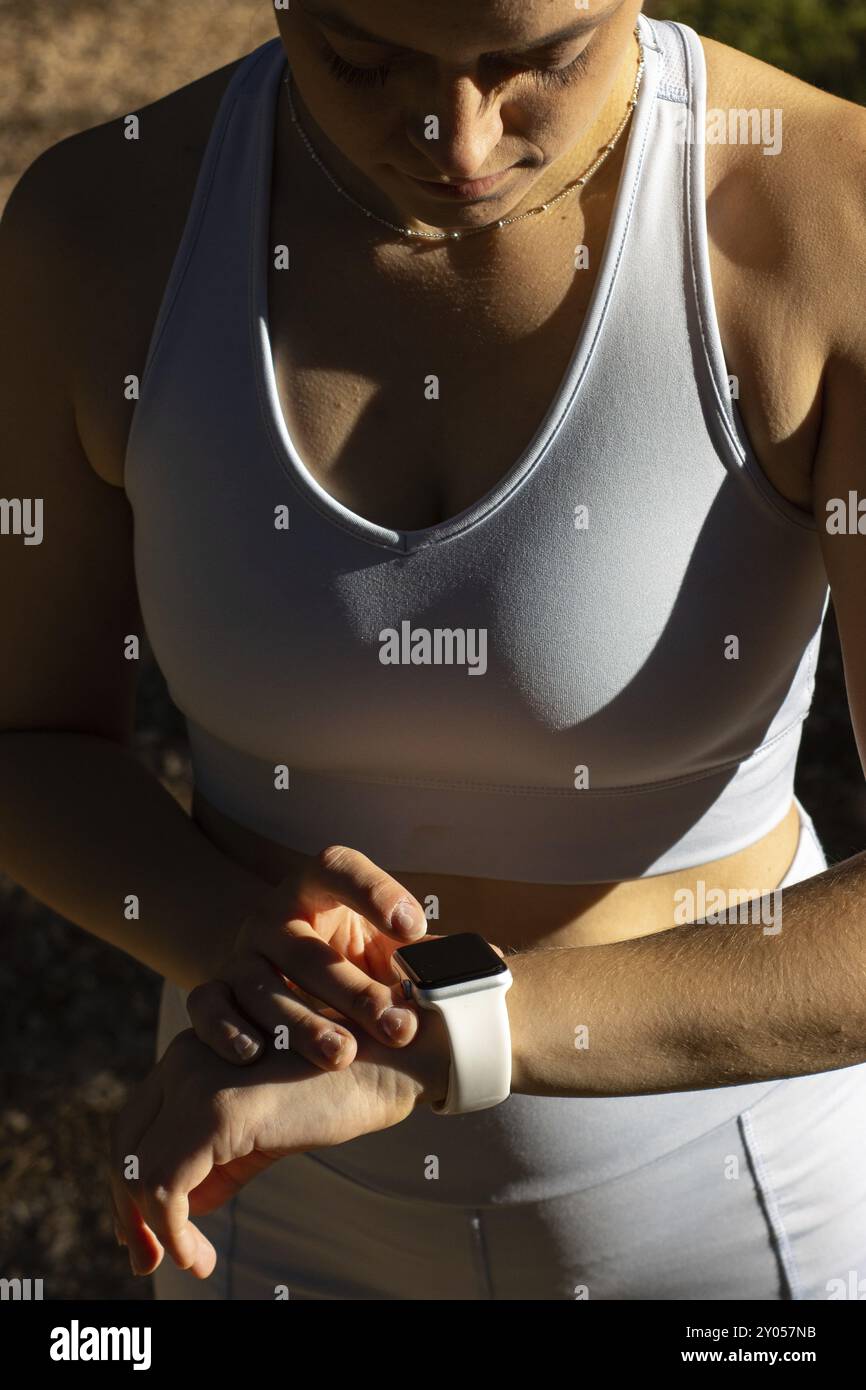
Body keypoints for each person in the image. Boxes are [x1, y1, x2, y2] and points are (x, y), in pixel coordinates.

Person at [2, 0, 866, 1301]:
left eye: (542, 61)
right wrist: (231, 939)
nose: (459, 141)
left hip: (726, 1204)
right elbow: (27, 738)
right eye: (366, 59)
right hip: (256, 1198)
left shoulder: (823, 218)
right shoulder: (100, 224)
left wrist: (438, 1035)